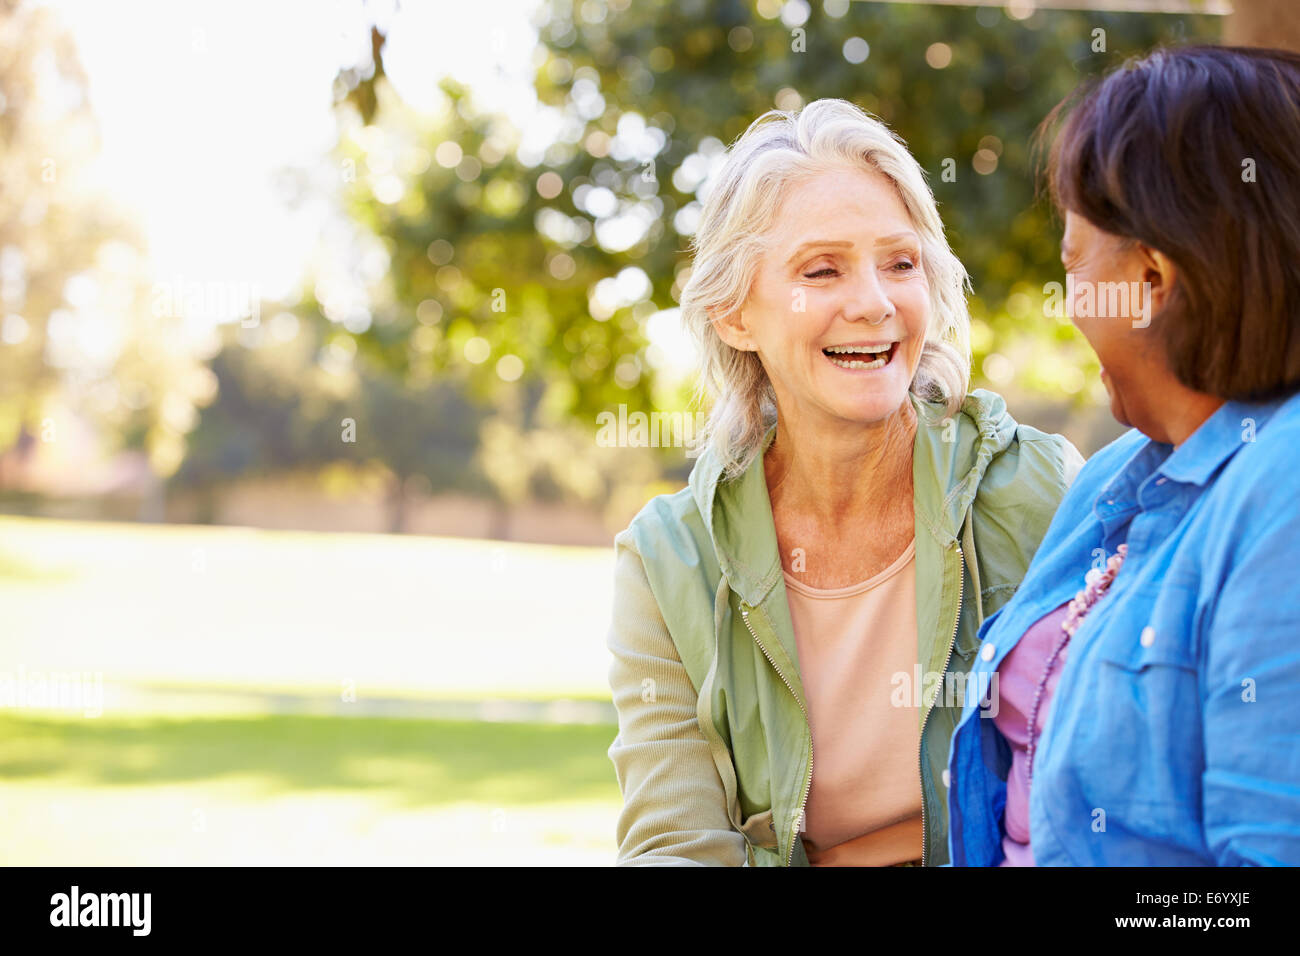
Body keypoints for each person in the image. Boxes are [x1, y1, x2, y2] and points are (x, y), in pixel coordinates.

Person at [604, 98, 1082, 866]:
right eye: (821, 270)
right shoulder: (668, 564)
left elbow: (1088, 795)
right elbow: (674, 845)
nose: (874, 302)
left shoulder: (1034, 492)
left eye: (900, 263)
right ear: (733, 314)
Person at [946, 45, 1300, 866]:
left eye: (1073, 262)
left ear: (1150, 278)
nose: (1068, 308)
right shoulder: (1118, 474)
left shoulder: (1282, 484)